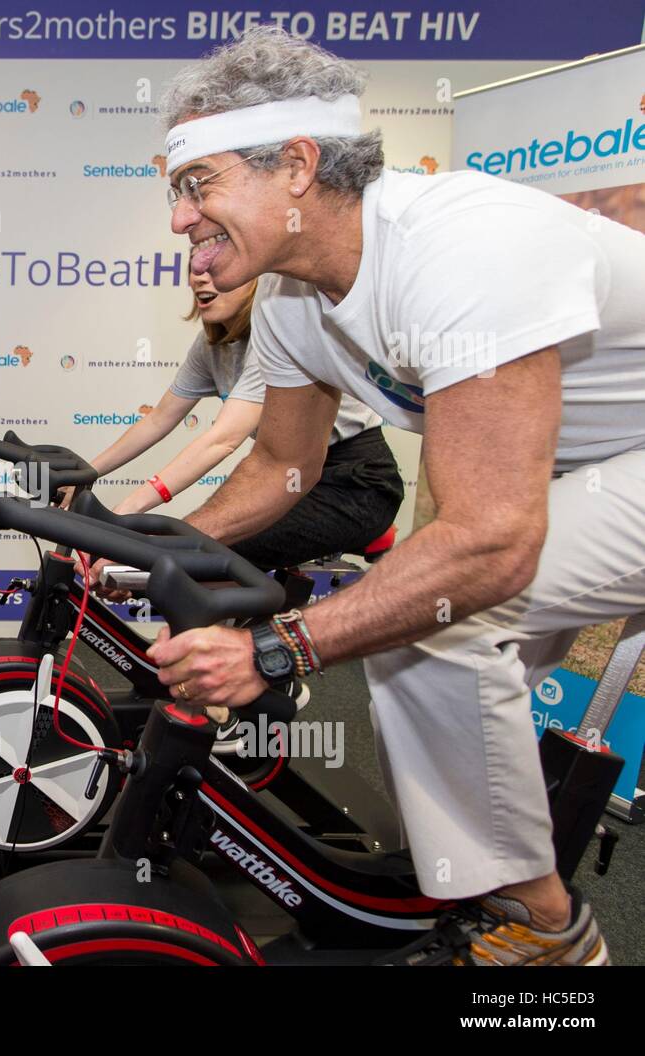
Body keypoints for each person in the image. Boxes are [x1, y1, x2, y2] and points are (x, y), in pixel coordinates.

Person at [144, 27, 644, 965]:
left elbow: (491, 543)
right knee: (429, 656)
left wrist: (274, 648)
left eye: (196, 185)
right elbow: (282, 472)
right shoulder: (295, 297)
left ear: (296, 165)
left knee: (437, 614)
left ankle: (545, 932)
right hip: (574, 465)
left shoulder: (461, 246)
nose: (180, 220)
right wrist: (153, 545)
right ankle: (480, 888)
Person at [82, 264, 401, 569]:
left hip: (354, 483)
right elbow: (158, 419)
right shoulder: (211, 345)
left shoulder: (275, 340)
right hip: (293, 479)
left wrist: (126, 511)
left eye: (214, 268)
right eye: (194, 268)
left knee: (205, 559)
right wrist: (87, 475)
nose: (200, 278)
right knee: (195, 559)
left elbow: (222, 440)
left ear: (256, 280)